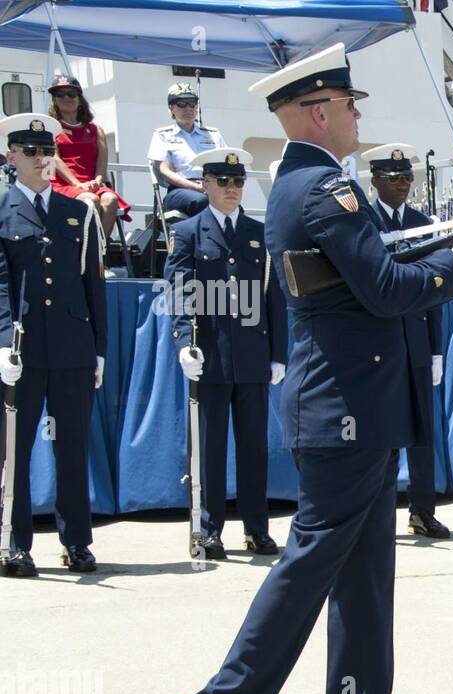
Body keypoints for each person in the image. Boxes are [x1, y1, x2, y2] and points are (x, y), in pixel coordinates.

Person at [162, 44, 453, 694]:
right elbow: (387, 290)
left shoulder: (316, 184)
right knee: (311, 567)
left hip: (353, 405)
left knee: (366, 571)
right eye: (349, 103)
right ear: (317, 111)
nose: (359, 114)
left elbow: (387, 271)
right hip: (344, 410)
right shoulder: (323, 188)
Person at [165, 148, 287, 559]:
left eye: (238, 182)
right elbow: (180, 292)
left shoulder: (259, 232)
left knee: (254, 447)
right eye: (224, 182)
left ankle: (256, 528)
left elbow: (274, 297)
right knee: (210, 448)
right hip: (211, 353)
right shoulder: (188, 233)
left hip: (252, 355)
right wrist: (184, 342)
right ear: (205, 184)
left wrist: (278, 354)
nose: (233, 189)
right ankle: (209, 529)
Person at [0, 113, 107, 577]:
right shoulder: (2, 210)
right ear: (10, 156)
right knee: (15, 451)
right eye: (30, 151)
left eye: (47, 151)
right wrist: (3, 343)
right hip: (21, 349)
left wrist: (98, 349)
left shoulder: (78, 210)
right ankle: (14, 541)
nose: (41, 158)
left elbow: (92, 285)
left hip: (71, 345)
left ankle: (76, 542)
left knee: (72, 446)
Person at [363, 142, 452, 540]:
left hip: (415, 341)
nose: (401, 184)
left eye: (406, 177)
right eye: (393, 178)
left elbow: (433, 287)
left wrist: (435, 350)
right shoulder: (365, 223)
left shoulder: (423, 222)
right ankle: (376, 510)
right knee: (380, 433)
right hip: (378, 345)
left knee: (421, 433)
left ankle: (422, 510)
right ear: (376, 181)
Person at [46, 74, 131, 237]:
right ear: (54, 100)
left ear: (79, 99)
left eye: (71, 94)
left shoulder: (96, 130)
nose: (66, 98)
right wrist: (77, 184)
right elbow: (54, 159)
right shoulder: (52, 129)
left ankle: (100, 251)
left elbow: (102, 161)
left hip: (92, 183)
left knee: (110, 200)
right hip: (63, 185)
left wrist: (98, 181)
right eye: (60, 95)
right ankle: (86, 251)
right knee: (91, 200)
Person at [147, 82, 227, 218]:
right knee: (202, 202)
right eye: (182, 104)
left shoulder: (213, 134)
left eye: (192, 104)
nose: (188, 109)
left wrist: (213, 185)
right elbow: (165, 171)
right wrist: (196, 187)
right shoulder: (163, 135)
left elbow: (225, 164)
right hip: (179, 191)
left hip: (211, 187)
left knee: (234, 206)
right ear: (171, 108)